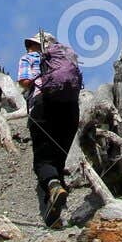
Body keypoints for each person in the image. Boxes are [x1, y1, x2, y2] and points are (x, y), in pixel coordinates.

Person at [24, 30, 81, 228]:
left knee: (42, 160)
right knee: (58, 158)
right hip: (71, 109)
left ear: (37, 46)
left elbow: (24, 81)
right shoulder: (65, 56)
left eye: (31, 44)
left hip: (44, 105)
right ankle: (54, 214)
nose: (29, 48)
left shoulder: (31, 57)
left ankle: (53, 186)